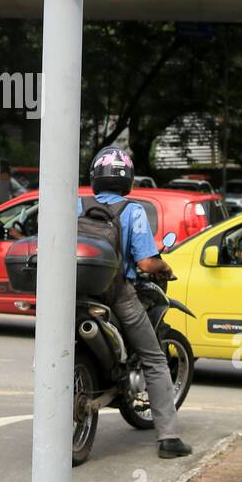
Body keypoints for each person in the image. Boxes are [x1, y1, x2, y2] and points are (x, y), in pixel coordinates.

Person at [81, 146, 192, 459]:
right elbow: (146, 263)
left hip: (74, 294)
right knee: (155, 360)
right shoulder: (132, 211)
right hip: (117, 295)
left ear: (95, 178)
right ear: (127, 179)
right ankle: (169, 439)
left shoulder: (76, 204)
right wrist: (166, 268)